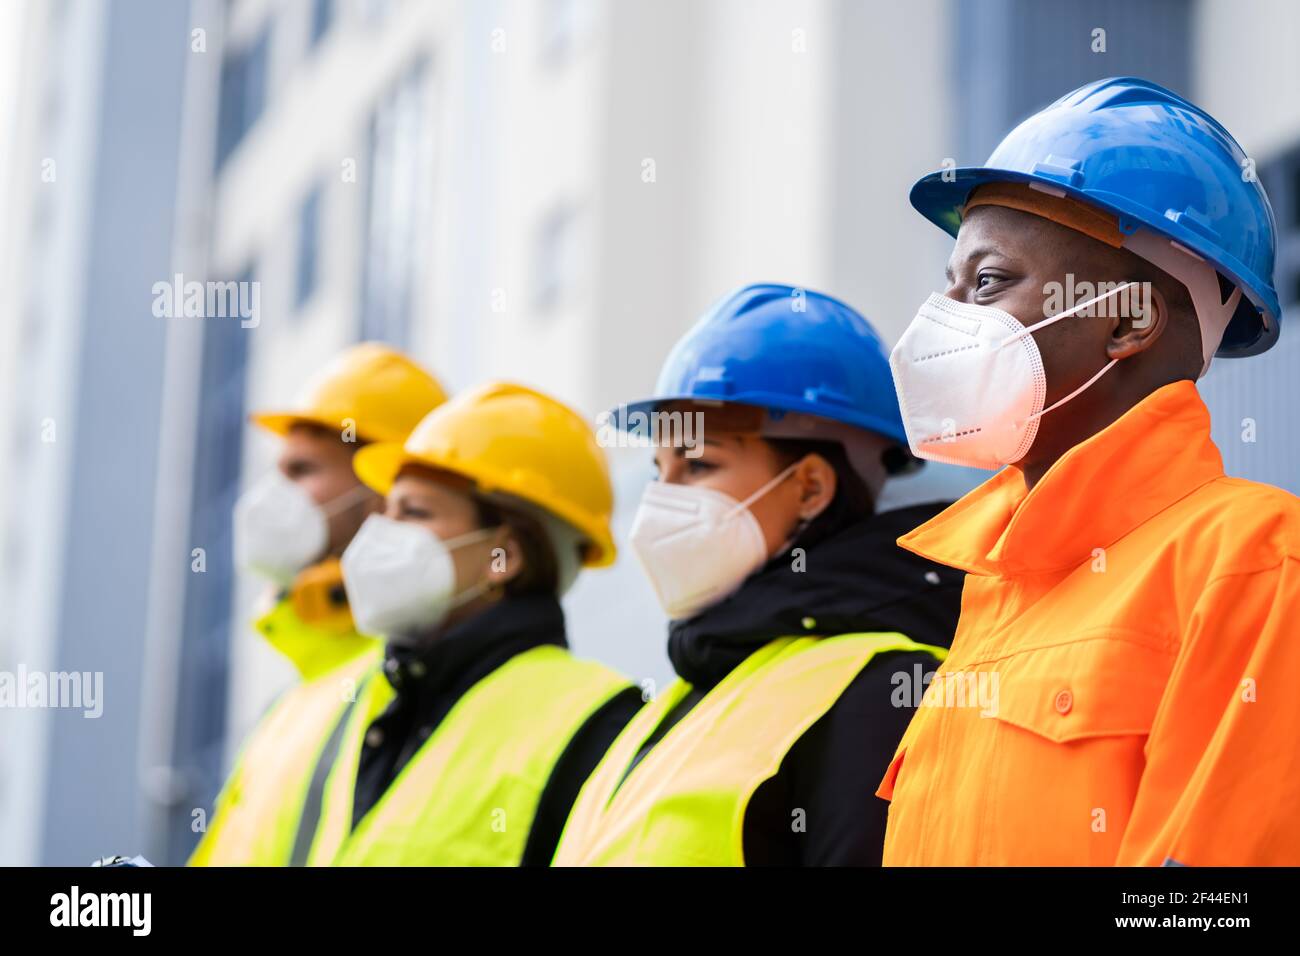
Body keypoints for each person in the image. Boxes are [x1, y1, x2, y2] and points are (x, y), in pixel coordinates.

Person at [880, 76, 1300, 865]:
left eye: (991, 282)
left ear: (1130, 320)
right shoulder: (994, 590)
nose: (949, 321)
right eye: (952, 288)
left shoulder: (1252, 560)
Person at [552, 283, 963, 866]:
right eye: (658, 470)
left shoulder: (884, 689)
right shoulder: (690, 689)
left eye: (698, 465)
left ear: (811, 488)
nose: (659, 501)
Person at [290, 380, 640, 865]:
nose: (380, 535)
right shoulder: (382, 701)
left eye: (413, 513)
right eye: (387, 510)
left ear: (505, 556)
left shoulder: (603, 723)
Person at [190, 342, 446, 866]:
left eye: (302, 470)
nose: (271, 496)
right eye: (278, 470)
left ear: (384, 492)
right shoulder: (292, 704)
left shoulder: (408, 682)